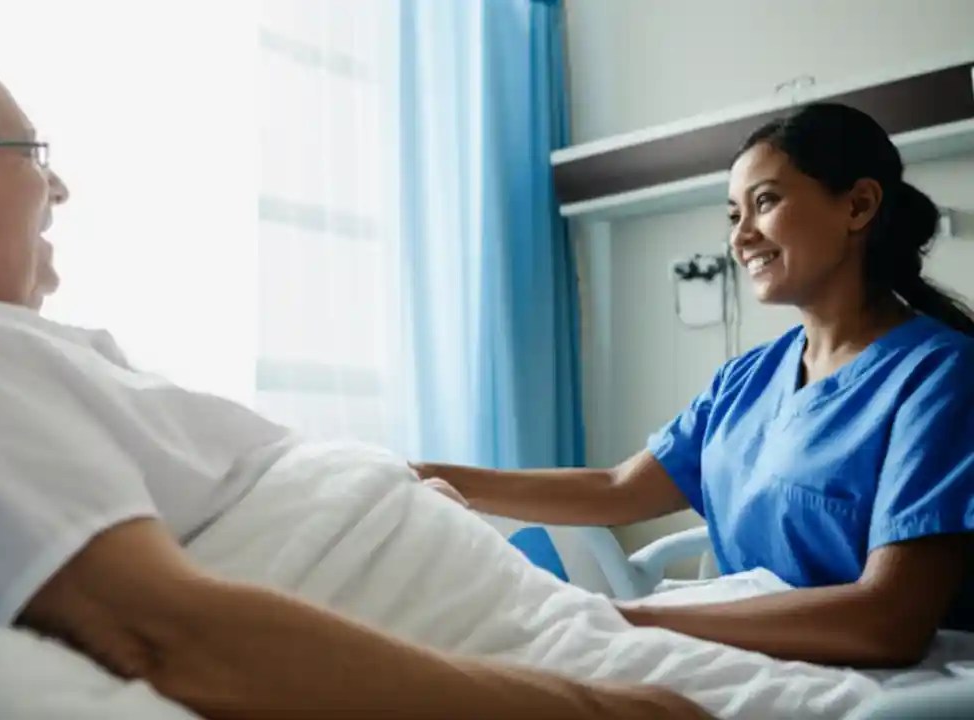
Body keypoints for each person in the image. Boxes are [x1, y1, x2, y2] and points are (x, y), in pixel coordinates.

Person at [0, 36, 708, 719]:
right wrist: (586, 709)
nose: (56, 191)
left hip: (516, 621)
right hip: (510, 651)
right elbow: (159, 630)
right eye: (30, 156)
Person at [415, 102, 974, 669]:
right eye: (733, 215)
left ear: (858, 205)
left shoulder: (939, 377)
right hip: (758, 666)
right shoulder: (747, 379)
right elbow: (617, 489)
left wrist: (627, 620)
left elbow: (887, 622)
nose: (742, 236)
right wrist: (429, 476)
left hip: (889, 687)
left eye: (765, 202)